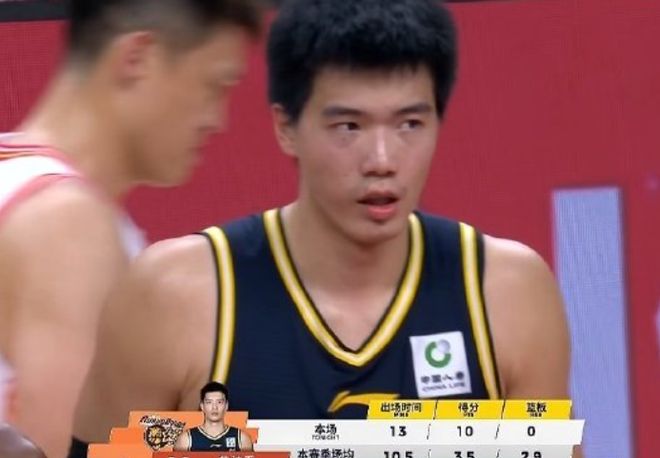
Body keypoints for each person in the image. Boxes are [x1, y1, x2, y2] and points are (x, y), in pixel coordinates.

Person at [71, 0, 578, 456]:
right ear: (286, 128)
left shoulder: (504, 293)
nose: (382, 160)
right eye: (349, 126)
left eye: (409, 124)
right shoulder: (176, 296)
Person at [0, 1, 260, 457]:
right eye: (213, 86)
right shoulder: (68, 228)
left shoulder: (22, 179)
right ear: (137, 59)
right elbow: (76, 449)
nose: (217, 119)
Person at [174, 382, 253, 452]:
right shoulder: (185, 440)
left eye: (219, 402)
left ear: (226, 406)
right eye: (209, 402)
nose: (214, 407)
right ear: (202, 406)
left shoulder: (242, 439)